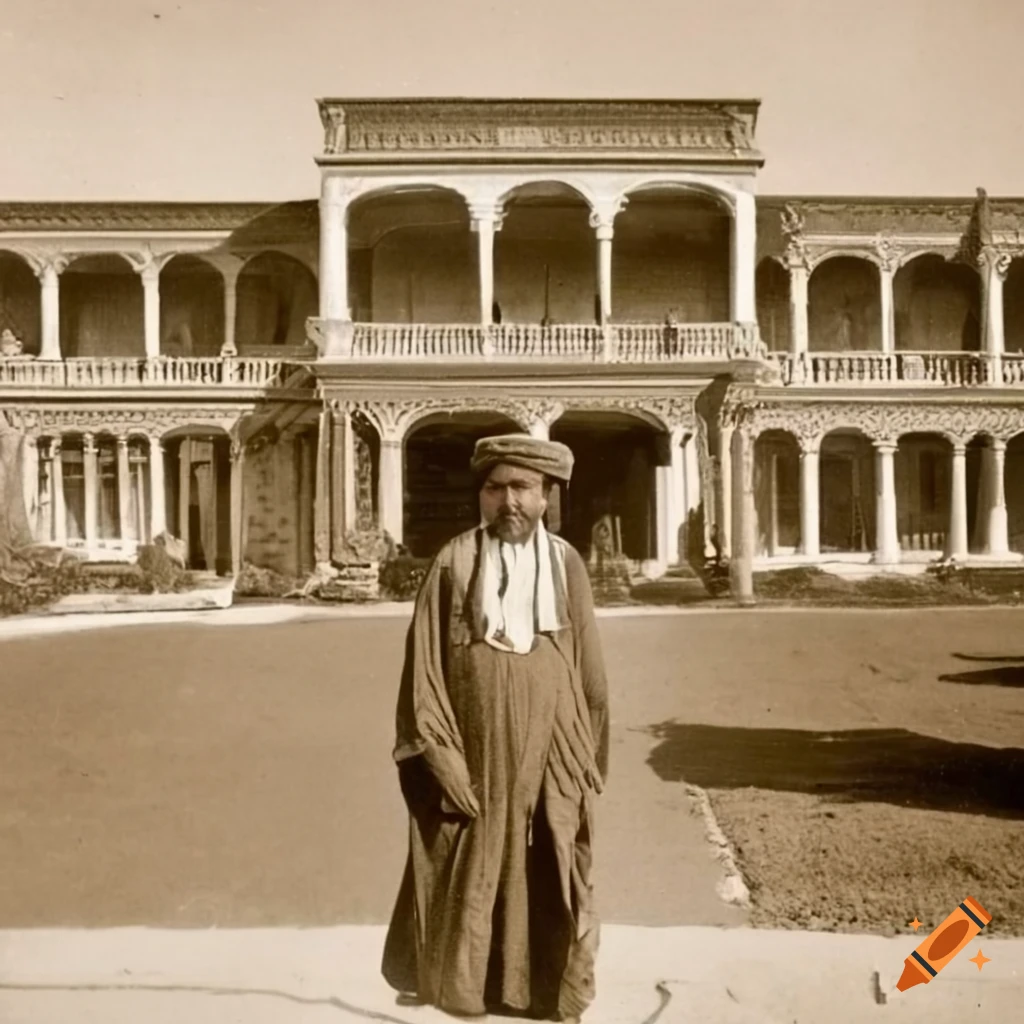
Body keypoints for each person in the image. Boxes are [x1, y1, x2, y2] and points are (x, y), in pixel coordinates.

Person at [381, 433, 610, 1023]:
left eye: (522, 488)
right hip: (477, 744)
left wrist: (588, 747)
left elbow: (587, 662)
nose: (508, 501)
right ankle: (468, 987)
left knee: (555, 851)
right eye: (495, 488)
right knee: (476, 854)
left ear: (547, 495)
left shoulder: (566, 563)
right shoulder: (454, 561)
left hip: (554, 740)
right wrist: (439, 753)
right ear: (481, 496)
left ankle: (544, 990)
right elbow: (424, 669)